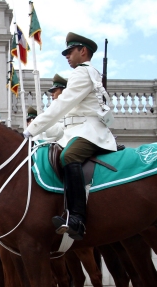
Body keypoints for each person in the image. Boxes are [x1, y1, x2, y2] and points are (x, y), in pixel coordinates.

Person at [24, 32, 116, 240]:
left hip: (90, 132)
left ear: (83, 51)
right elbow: (65, 123)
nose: (66, 56)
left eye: (70, 51)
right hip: (79, 130)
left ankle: (77, 218)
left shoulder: (82, 73)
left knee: (69, 157)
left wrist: (33, 128)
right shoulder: (89, 74)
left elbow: (62, 104)